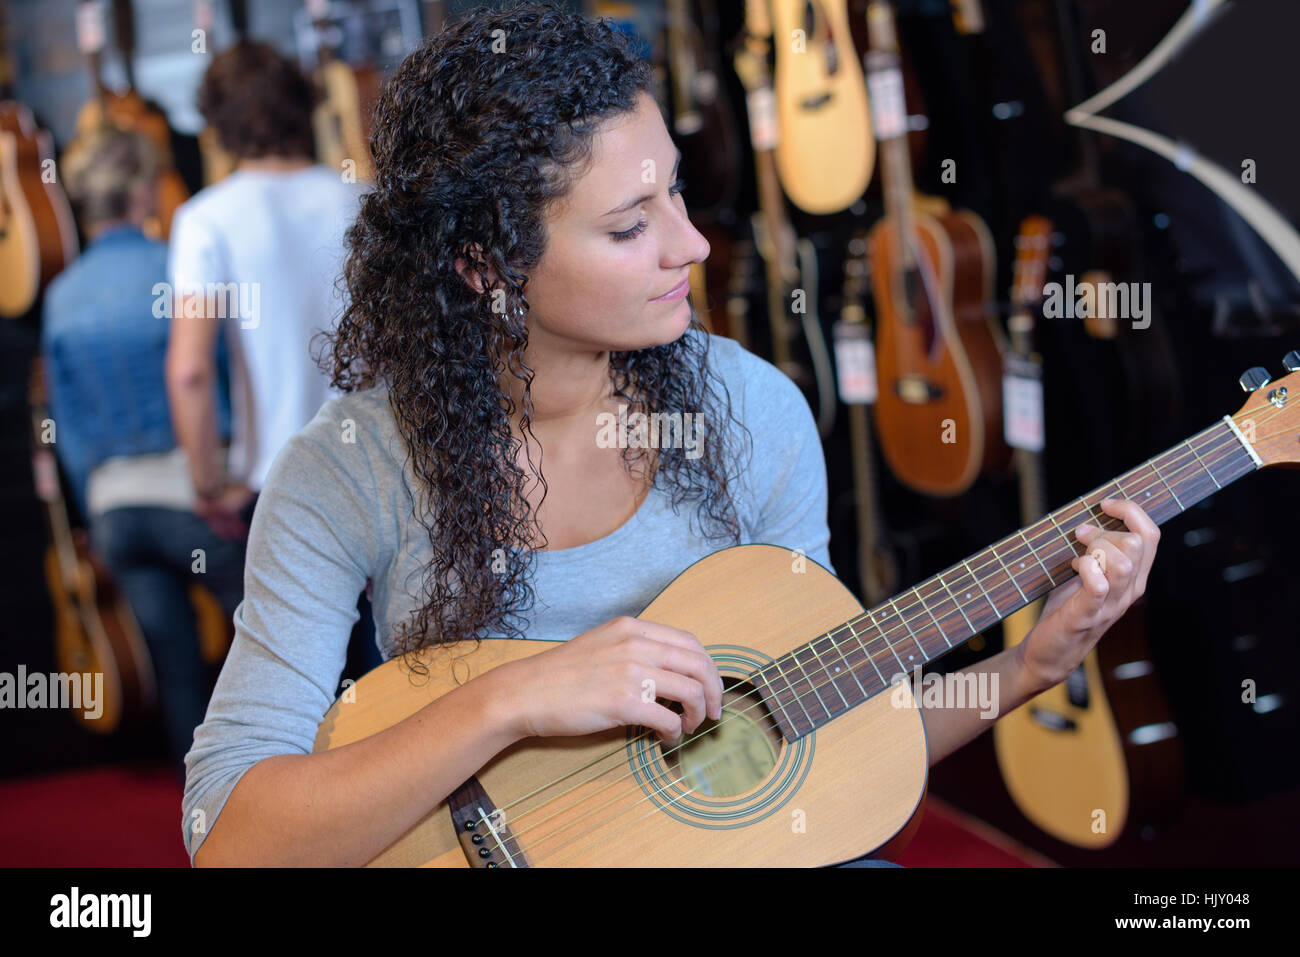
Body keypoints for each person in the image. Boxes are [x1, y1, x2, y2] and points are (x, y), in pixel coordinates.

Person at [182, 2, 1160, 867]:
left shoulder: (750, 410)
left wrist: (1024, 670)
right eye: (627, 226)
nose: (689, 245)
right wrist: (512, 699)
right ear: (485, 268)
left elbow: (824, 739)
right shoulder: (343, 472)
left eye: (677, 194)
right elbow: (233, 840)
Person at [41, 126, 246, 777]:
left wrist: (94, 518)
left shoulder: (60, 294)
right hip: (195, 499)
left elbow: (66, 425)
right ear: (141, 192)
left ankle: (204, 809)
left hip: (115, 513)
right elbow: (214, 379)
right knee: (269, 645)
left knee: (176, 665)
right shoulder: (174, 266)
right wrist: (223, 477)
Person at [165, 39, 367, 541]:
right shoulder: (365, 201)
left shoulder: (205, 220)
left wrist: (208, 485)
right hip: (378, 468)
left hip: (279, 481)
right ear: (303, 106)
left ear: (218, 125)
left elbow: (190, 371)